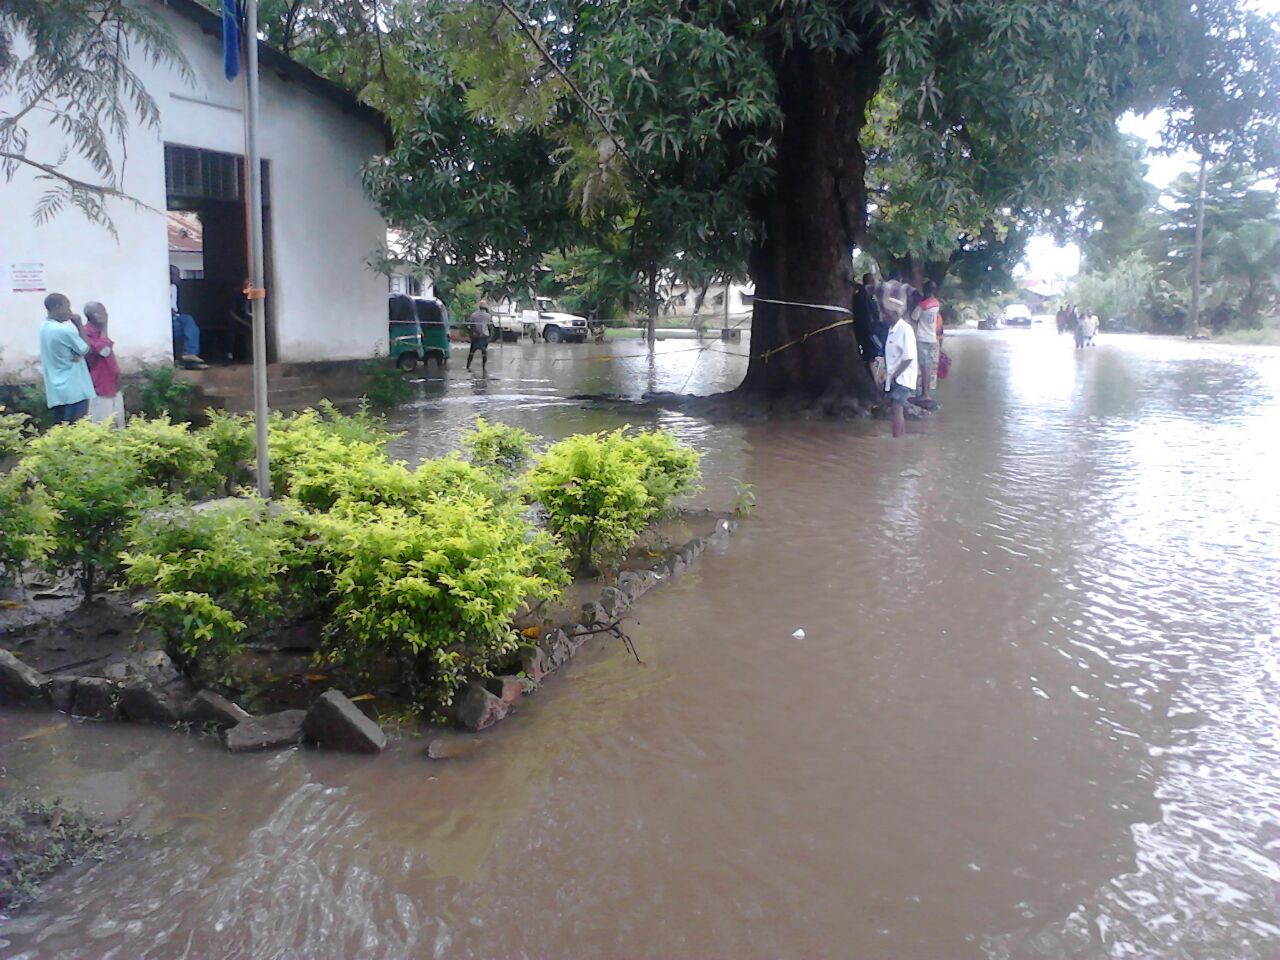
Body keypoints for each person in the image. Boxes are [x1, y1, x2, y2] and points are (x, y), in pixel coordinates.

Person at [38, 293, 95, 424]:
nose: (70, 312)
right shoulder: (63, 330)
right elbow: (86, 348)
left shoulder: (44, 327)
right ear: (57, 307)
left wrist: (78, 352)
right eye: (67, 307)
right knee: (77, 429)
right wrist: (79, 325)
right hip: (74, 390)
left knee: (61, 429)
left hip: (57, 391)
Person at [82, 302, 125, 428]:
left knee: (118, 426)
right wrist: (105, 327)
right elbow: (104, 351)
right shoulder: (87, 332)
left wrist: (117, 373)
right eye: (103, 312)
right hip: (100, 385)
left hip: (113, 383)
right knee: (102, 426)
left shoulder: (99, 332)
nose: (106, 315)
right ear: (95, 315)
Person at [883, 301, 918, 438]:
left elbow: (908, 358)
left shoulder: (905, 329)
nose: (882, 317)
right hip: (894, 376)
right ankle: (900, 438)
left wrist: (894, 377)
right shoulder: (892, 330)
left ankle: (897, 441)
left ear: (895, 313)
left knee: (897, 408)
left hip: (902, 377)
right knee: (896, 409)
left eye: (886, 313)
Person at [911, 280, 942, 403]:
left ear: (925, 290)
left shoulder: (922, 305)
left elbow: (914, 317)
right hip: (932, 338)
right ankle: (927, 392)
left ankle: (925, 394)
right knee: (928, 366)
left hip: (922, 338)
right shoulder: (936, 303)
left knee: (923, 367)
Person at [169, 265, 207, 368]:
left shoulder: (173, 288)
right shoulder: (160, 288)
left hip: (175, 319)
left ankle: (190, 354)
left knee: (190, 324)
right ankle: (189, 356)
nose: (179, 277)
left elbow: (174, 308)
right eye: (176, 275)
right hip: (164, 322)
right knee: (187, 322)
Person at [466, 302, 491, 372]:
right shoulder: (488, 315)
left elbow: (471, 325)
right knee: (484, 352)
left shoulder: (474, 315)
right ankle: (483, 367)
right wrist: (490, 336)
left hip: (475, 336)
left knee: (472, 351)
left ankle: (468, 366)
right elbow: (488, 325)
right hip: (484, 336)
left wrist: (472, 334)